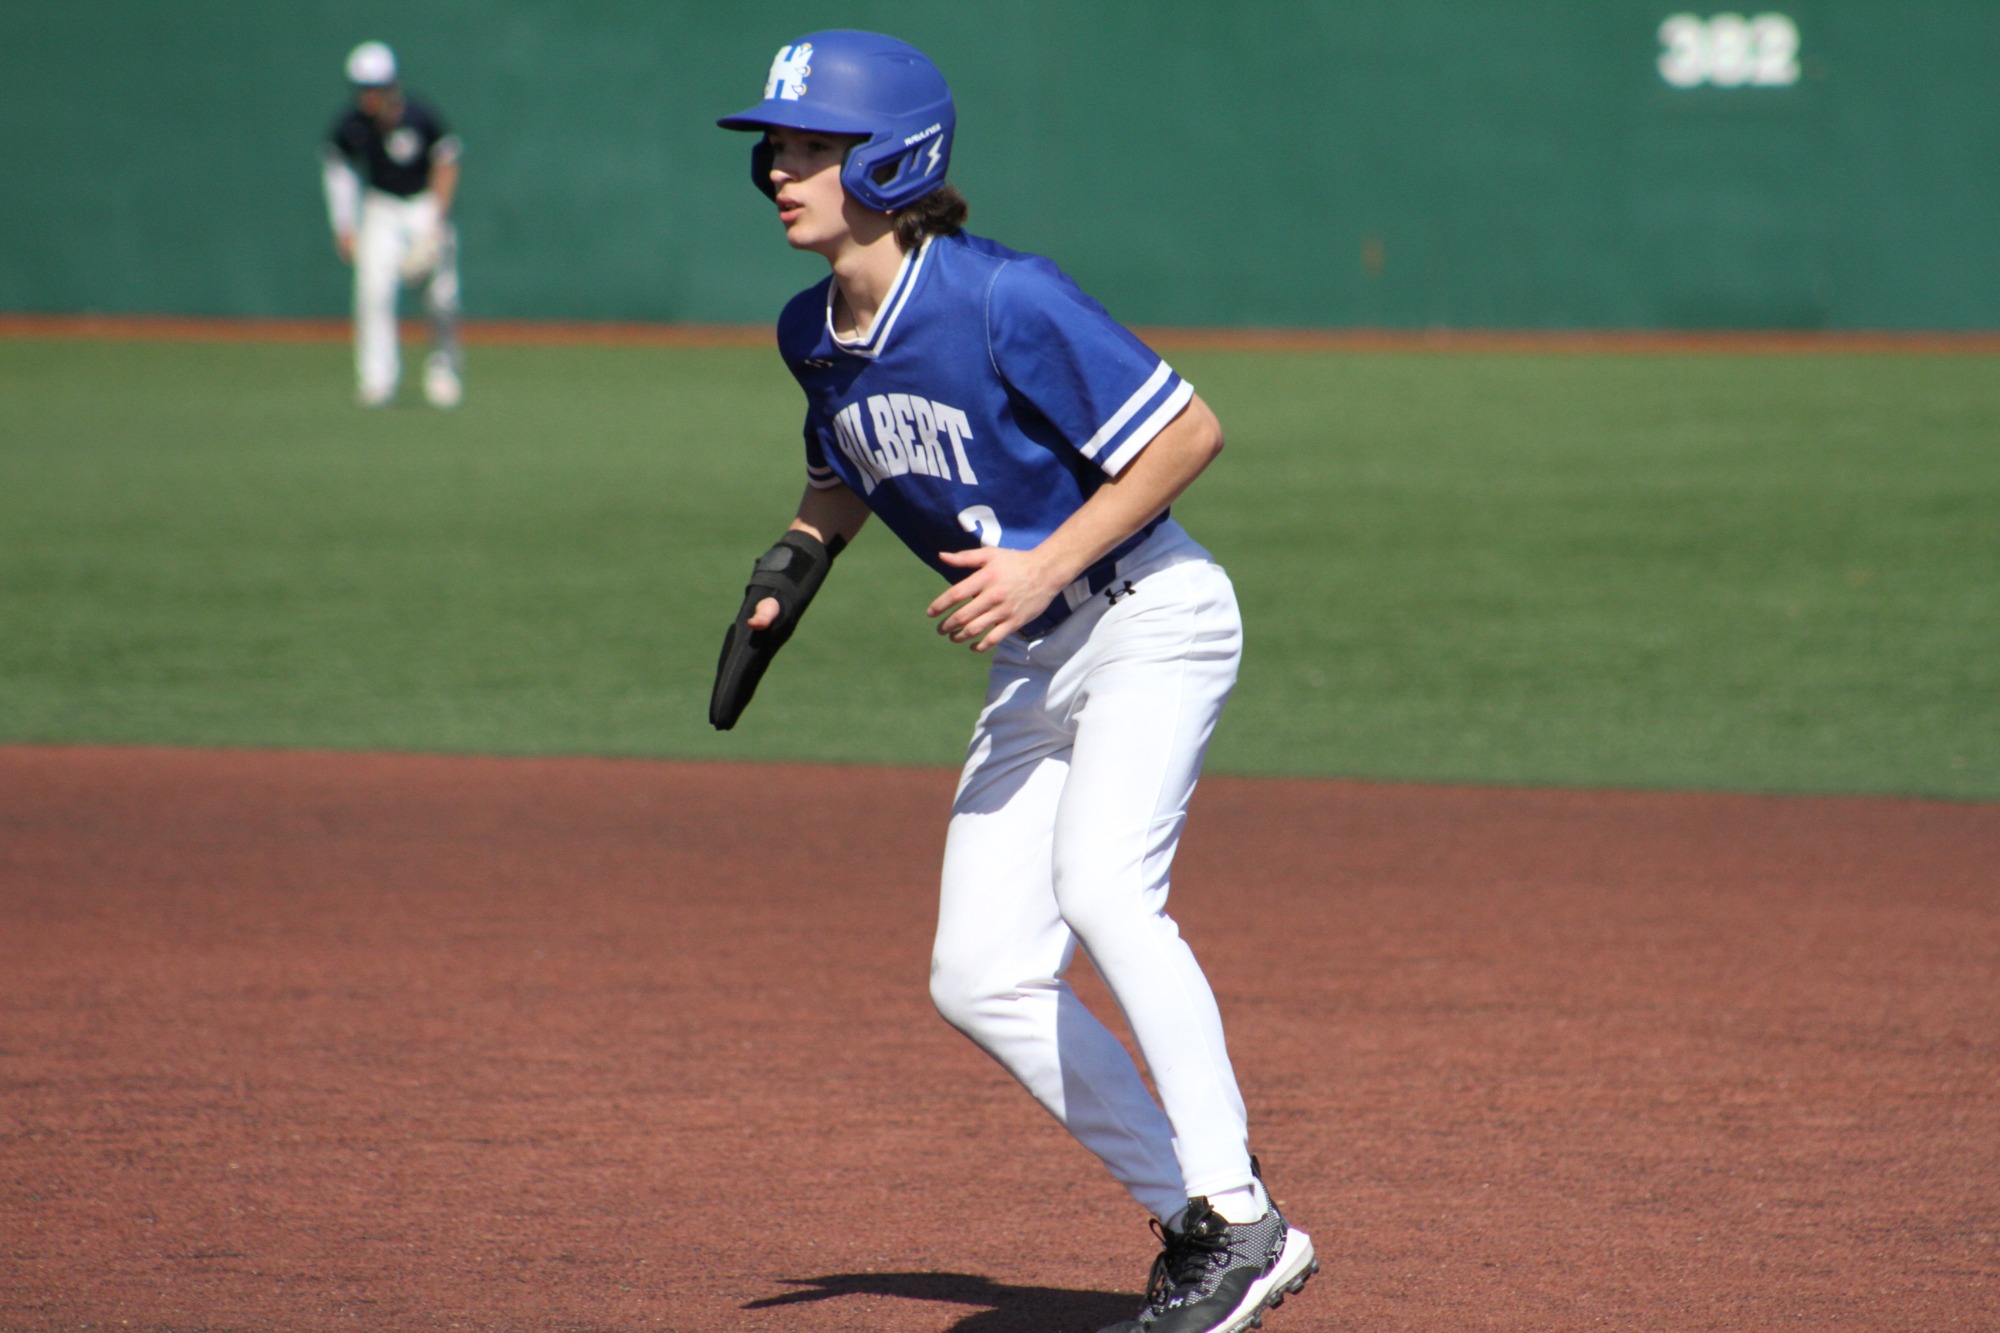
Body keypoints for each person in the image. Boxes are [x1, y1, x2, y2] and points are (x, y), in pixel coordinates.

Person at [708, 31, 1317, 1333]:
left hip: (1151, 613)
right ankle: (1204, 1216)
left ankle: (1244, 1215)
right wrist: (797, 559)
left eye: (809, 147)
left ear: (891, 156)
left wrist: (1042, 566)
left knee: (1104, 888)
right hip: (1039, 657)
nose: (778, 171)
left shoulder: (1002, 299)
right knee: (979, 971)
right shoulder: (809, 332)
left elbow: (1187, 433)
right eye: (775, 148)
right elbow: (848, 458)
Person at [322, 41, 463, 408]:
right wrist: (344, 226)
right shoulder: (352, 126)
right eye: (363, 89)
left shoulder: (419, 117)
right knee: (373, 292)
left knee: (441, 298)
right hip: (381, 208)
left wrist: (436, 221)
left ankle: (443, 371)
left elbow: (447, 161)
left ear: (392, 86)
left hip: (422, 207)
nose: (369, 97)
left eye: (376, 88)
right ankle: (378, 380)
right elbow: (338, 172)